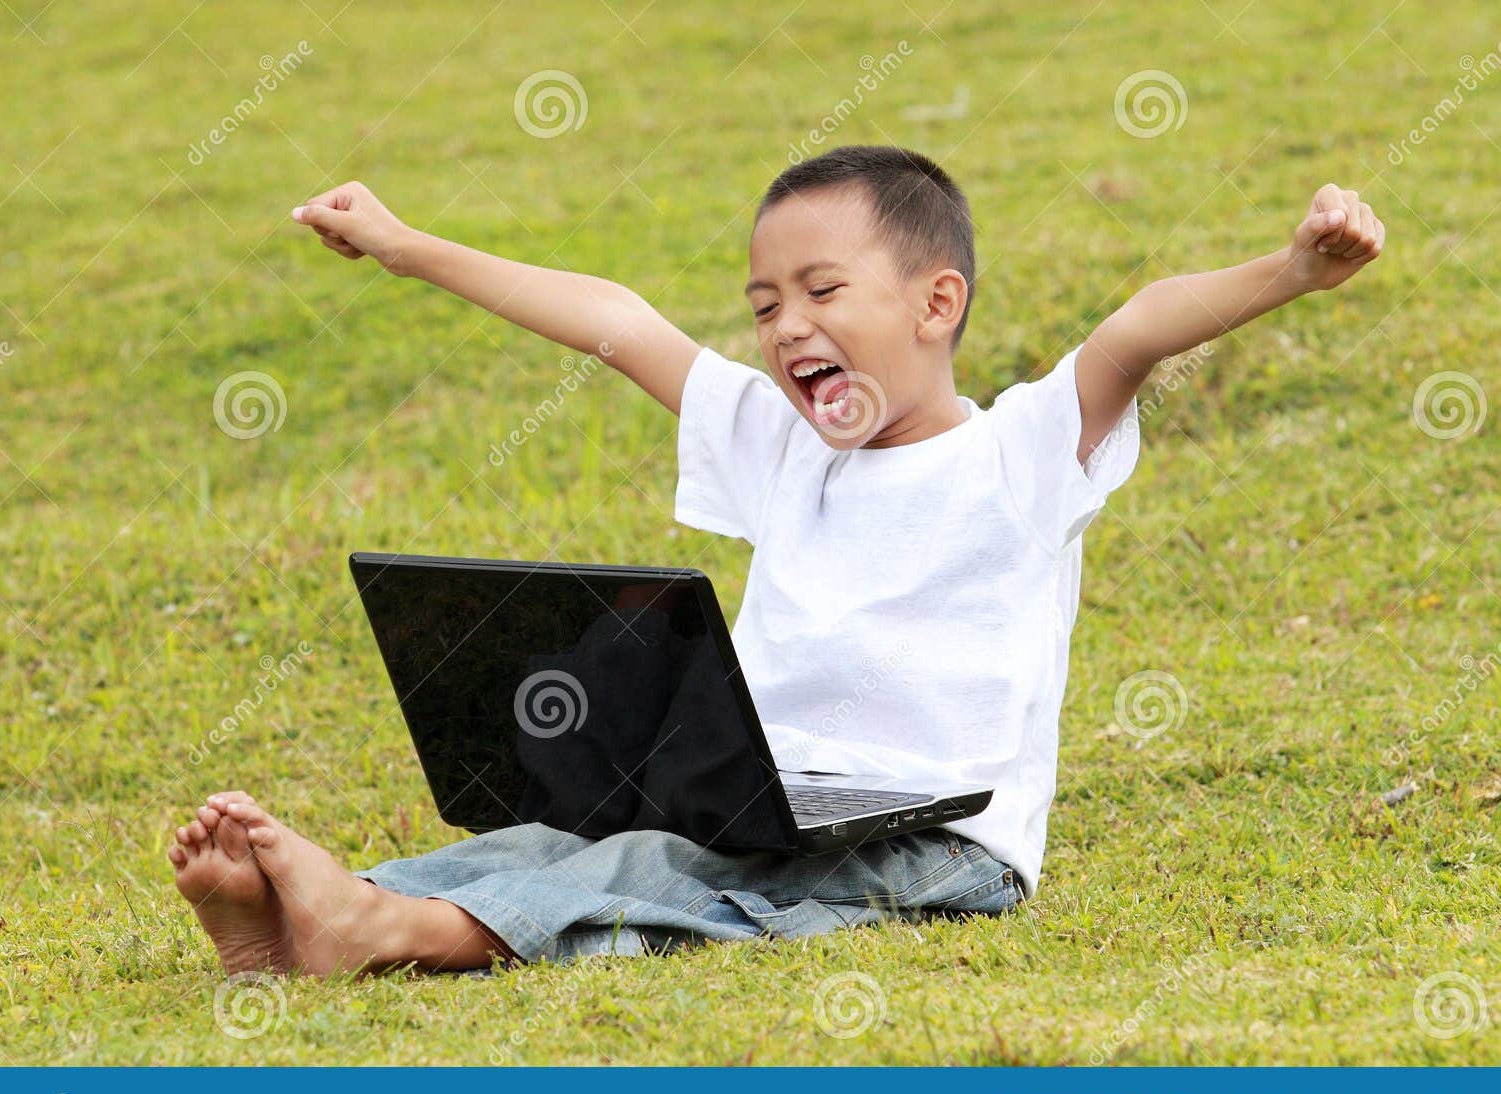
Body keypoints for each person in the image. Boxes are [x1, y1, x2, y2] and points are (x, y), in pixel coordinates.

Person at [166, 145, 1384, 976]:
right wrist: (405, 244)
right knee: (576, 844)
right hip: (769, 800)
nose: (785, 326)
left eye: (821, 290)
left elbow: (1134, 328)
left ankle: (389, 928)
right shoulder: (782, 447)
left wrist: (1293, 268)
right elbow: (614, 321)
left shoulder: (1018, 452)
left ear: (934, 302)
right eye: (763, 305)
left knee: (655, 874)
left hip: (935, 845)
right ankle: (301, 918)